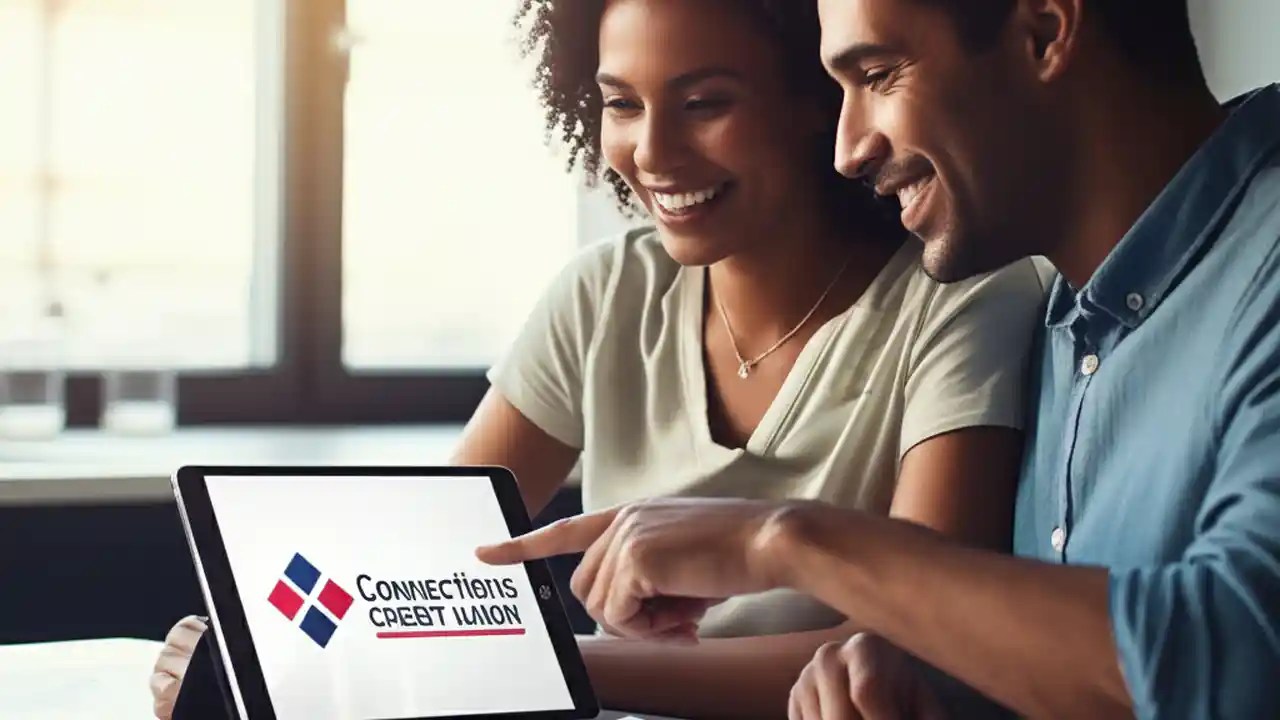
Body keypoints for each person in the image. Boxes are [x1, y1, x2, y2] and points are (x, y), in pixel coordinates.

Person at [148, 0, 1048, 718]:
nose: (651, 153)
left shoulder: (962, 303)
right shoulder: (605, 293)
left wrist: (562, 667)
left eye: (705, 103)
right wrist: (261, 646)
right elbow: (426, 567)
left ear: (818, 103)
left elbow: (917, 645)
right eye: (622, 103)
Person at [478, 0, 1280, 717]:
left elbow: (1241, 659)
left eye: (877, 74)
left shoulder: (1246, 270)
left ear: (1042, 32)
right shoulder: (1062, 314)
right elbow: (1067, 660)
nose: (848, 149)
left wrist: (786, 543)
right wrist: (907, 677)